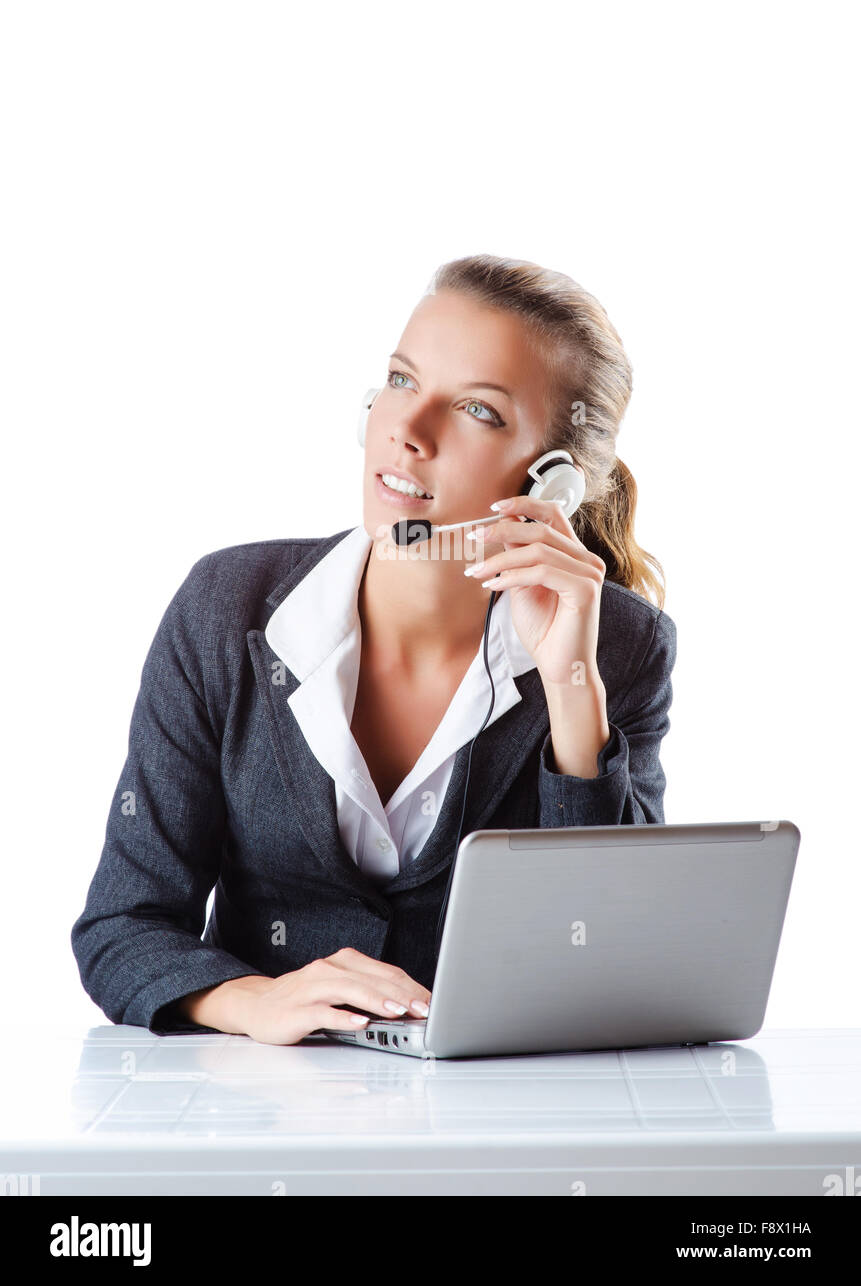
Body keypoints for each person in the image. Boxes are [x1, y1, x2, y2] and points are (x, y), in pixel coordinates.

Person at [71, 253, 677, 1046]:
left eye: (478, 411)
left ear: (551, 483)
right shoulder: (226, 608)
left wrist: (570, 689)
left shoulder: (619, 646)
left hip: (498, 1116)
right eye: (400, 380)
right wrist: (252, 1000)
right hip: (261, 1113)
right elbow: (123, 924)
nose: (408, 432)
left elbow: (615, 954)